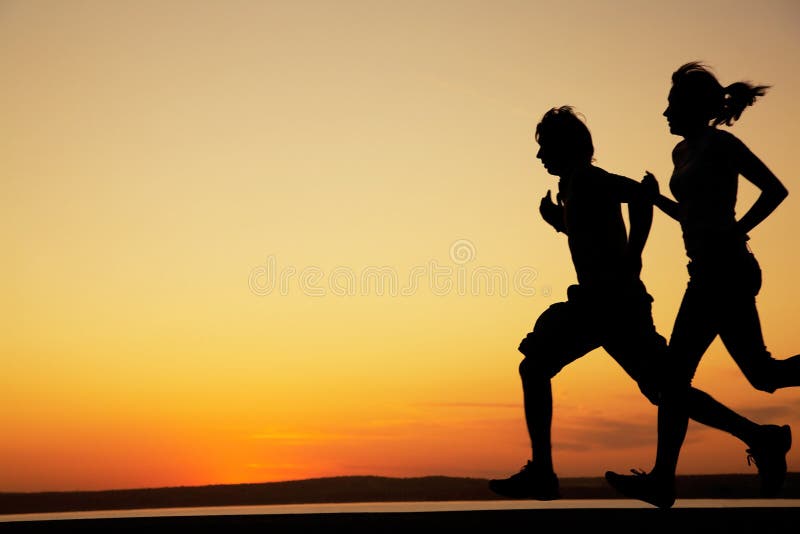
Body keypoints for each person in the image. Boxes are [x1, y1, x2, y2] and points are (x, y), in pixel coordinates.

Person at [489, 105, 792, 505]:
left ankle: (543, 475)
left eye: (545, 146)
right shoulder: (574, 187)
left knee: (536, 366)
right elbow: (595, 230)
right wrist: (559, 221)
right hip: (610, 304)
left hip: (609, 303)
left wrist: (635, 252)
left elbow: (640, 196)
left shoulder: (588, 179)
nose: (539, 155)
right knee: (666, 389)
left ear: (567, 147)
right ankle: (761, 436)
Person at [605, 62, 797, 508]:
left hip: (727, 272)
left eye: (671, 104)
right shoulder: (682, 153)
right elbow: (691, 217)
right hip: (705, 273)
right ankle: (757, 444)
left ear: (692, 106)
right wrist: (657, 201)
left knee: (675, 380)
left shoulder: (721, 144)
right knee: (762, 374)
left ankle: (662, 481)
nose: (664, 112)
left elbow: (775, 190)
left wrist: (739, 229)